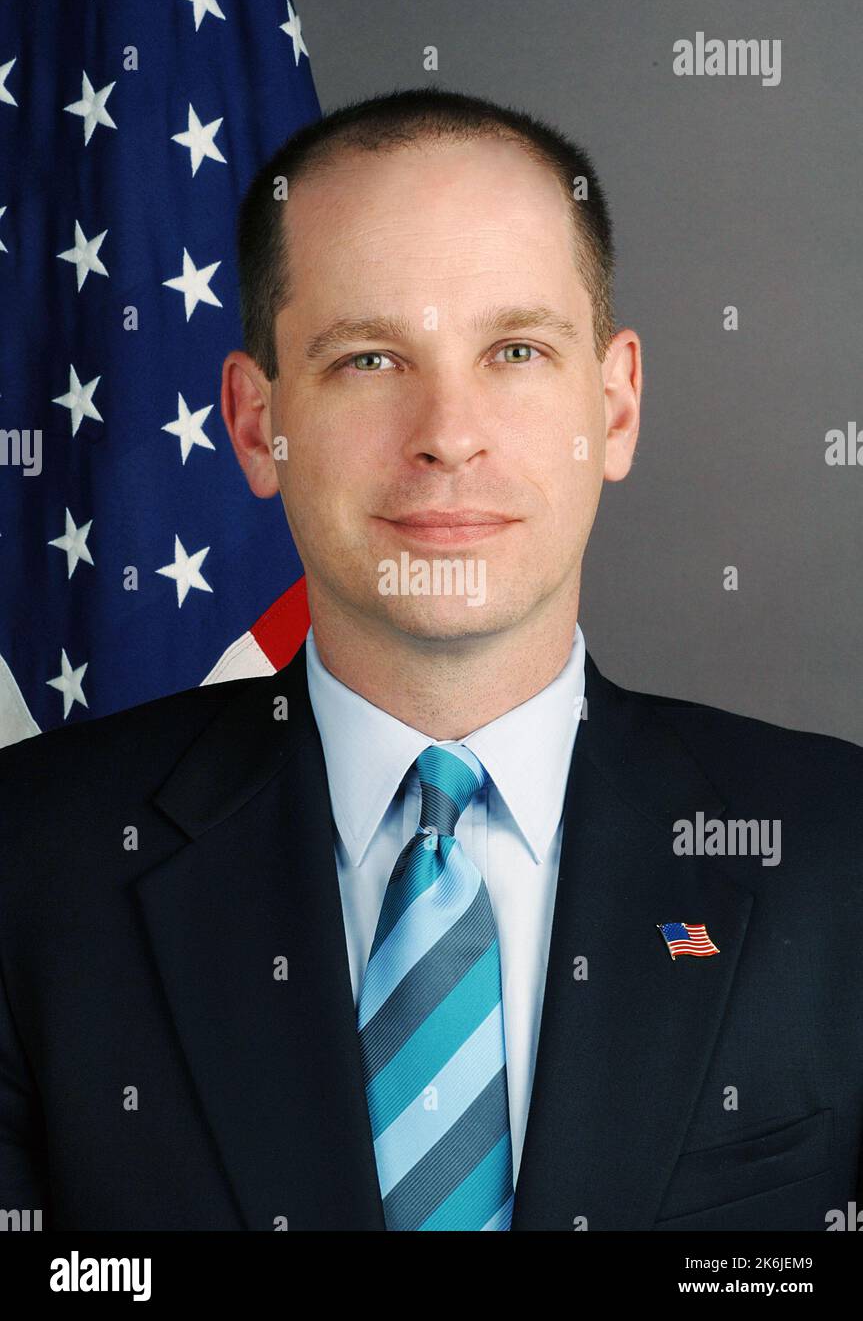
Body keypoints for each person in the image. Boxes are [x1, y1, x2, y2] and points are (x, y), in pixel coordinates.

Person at [0, 87, 859, 1232]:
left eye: (513, 348)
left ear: (612, 406)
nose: (447, 430)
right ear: (258, 425)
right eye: (366, 358)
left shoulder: (839, 855)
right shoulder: (27, 865)